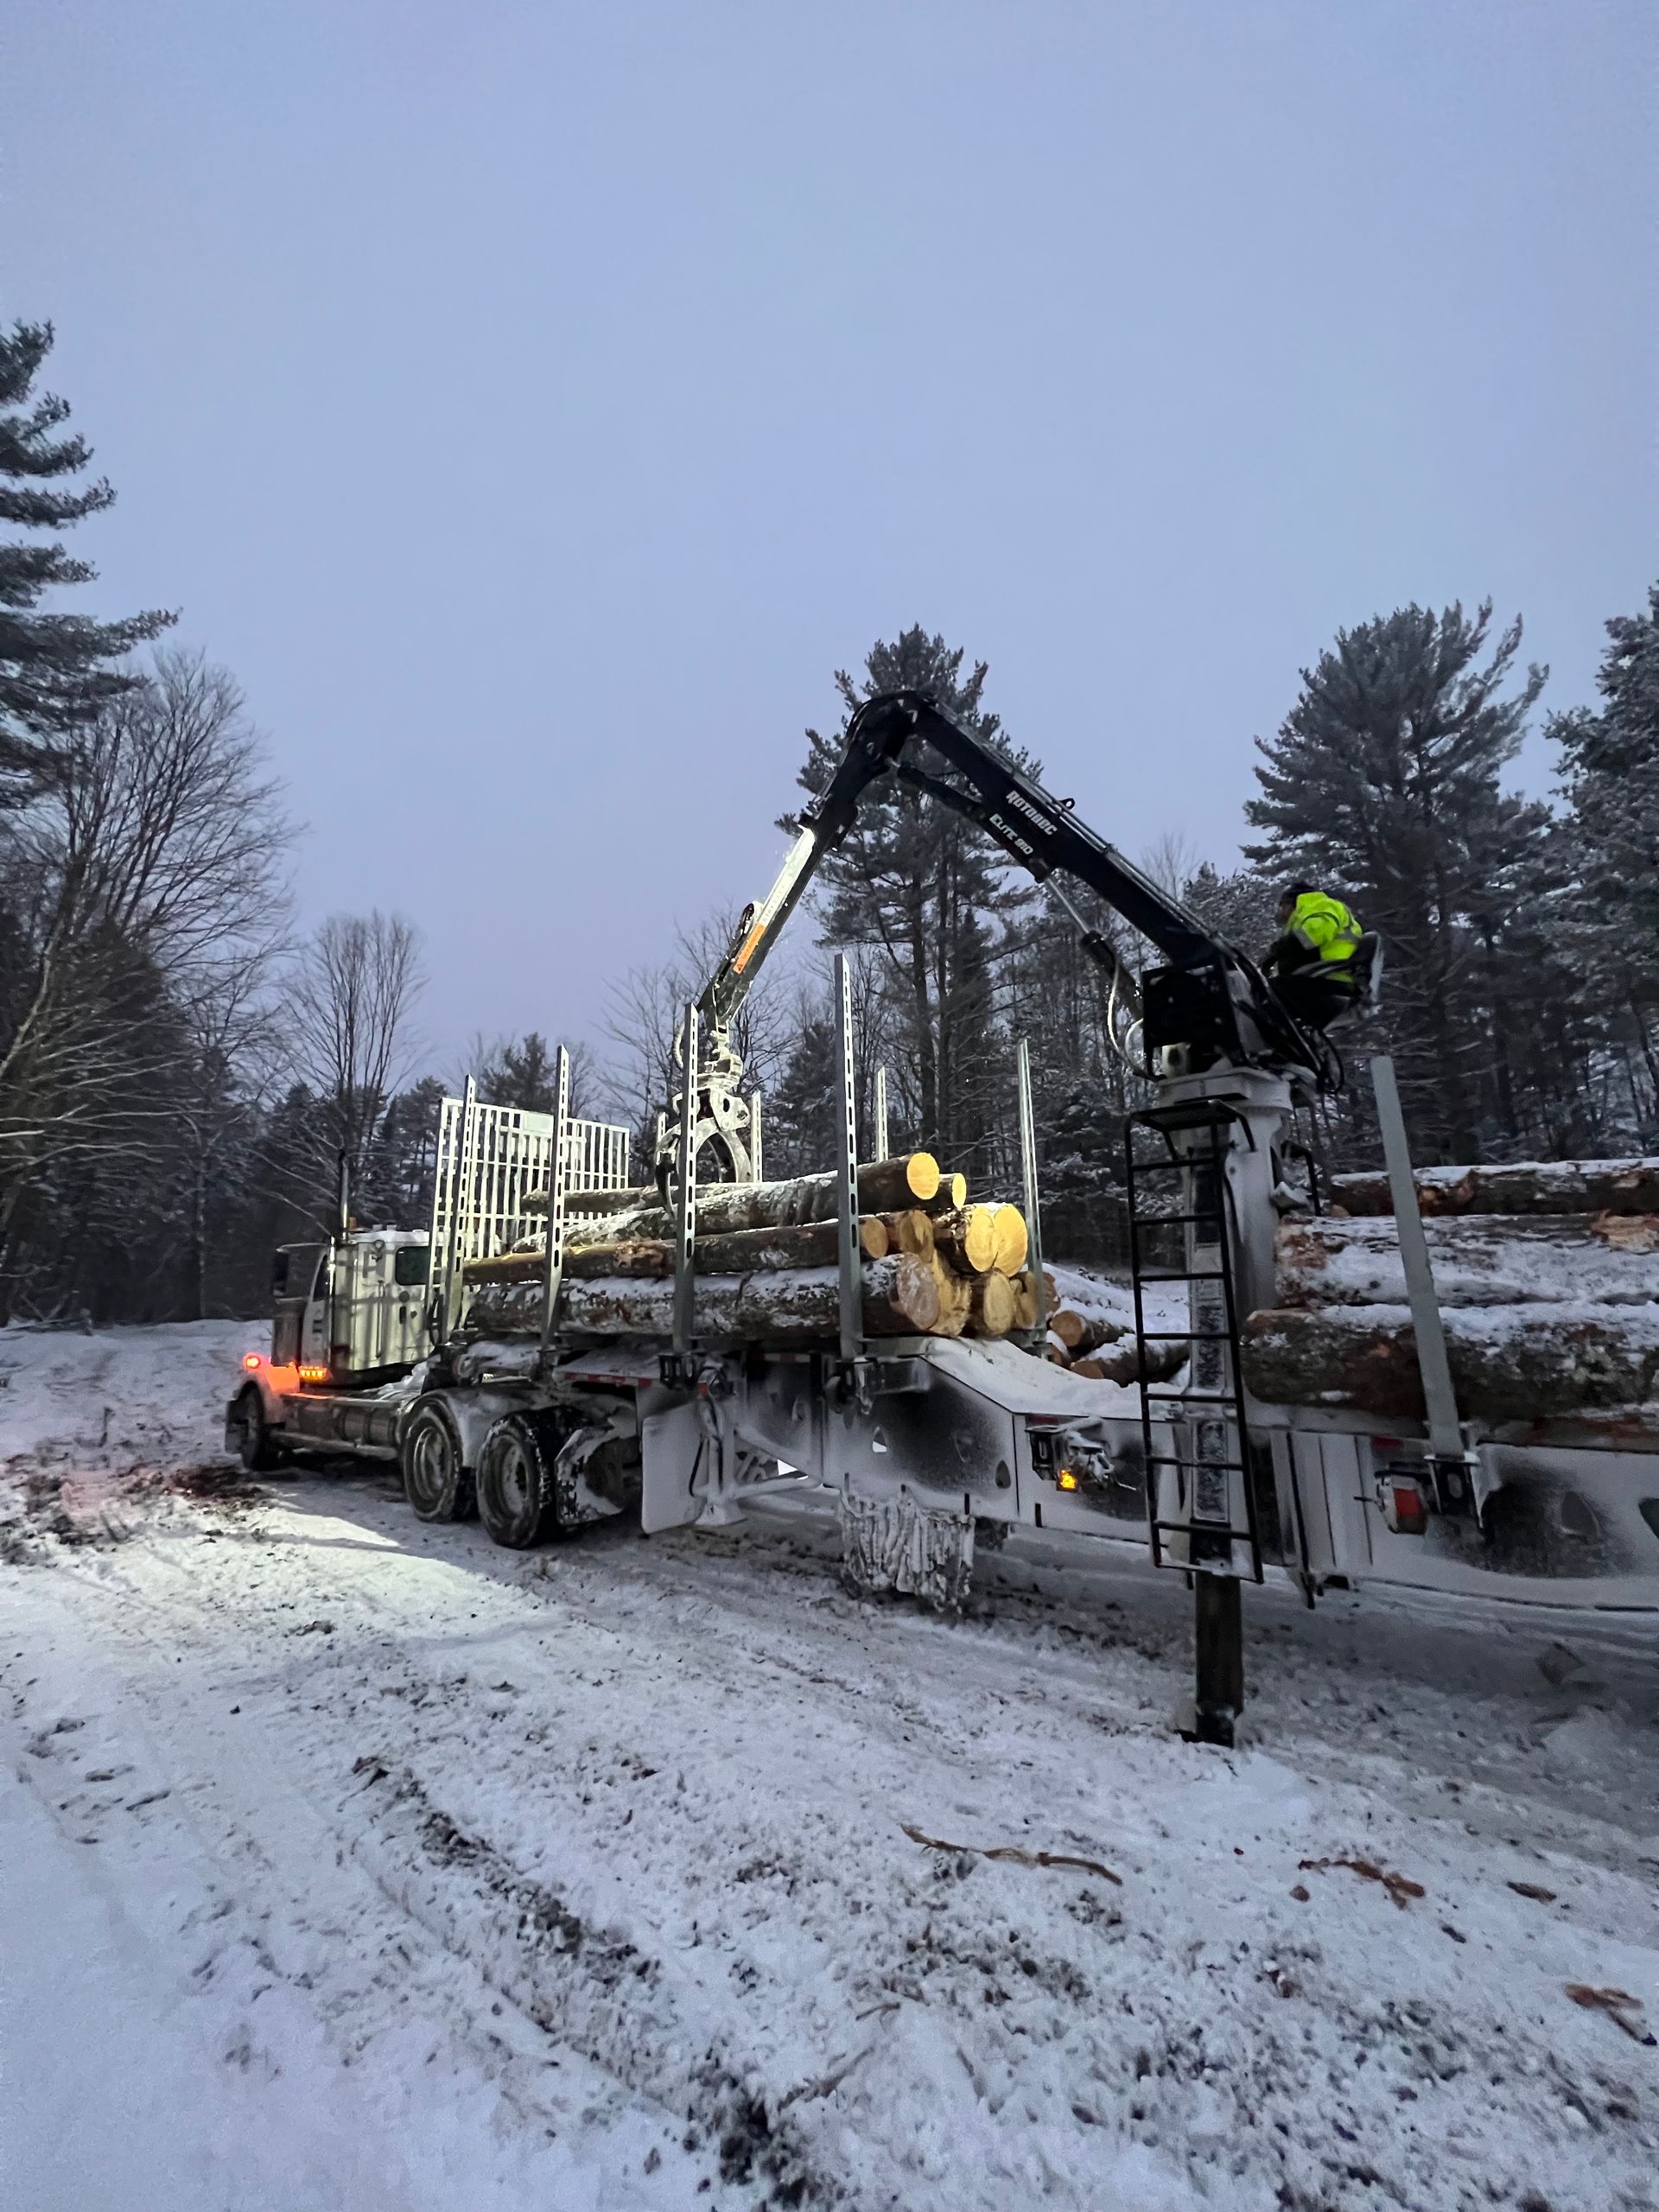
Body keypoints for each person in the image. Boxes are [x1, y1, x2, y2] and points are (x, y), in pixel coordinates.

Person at [1260, 881, 1365, 1032]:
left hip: (1329, 981)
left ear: (1293, 901)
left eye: (1283, 906)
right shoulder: (1305, 915)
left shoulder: (1319, 904)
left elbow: (1313, 934)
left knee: (1268, 993)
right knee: (1276, 995)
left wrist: (1276, 951)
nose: (1282, 911)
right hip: (1321, 981)